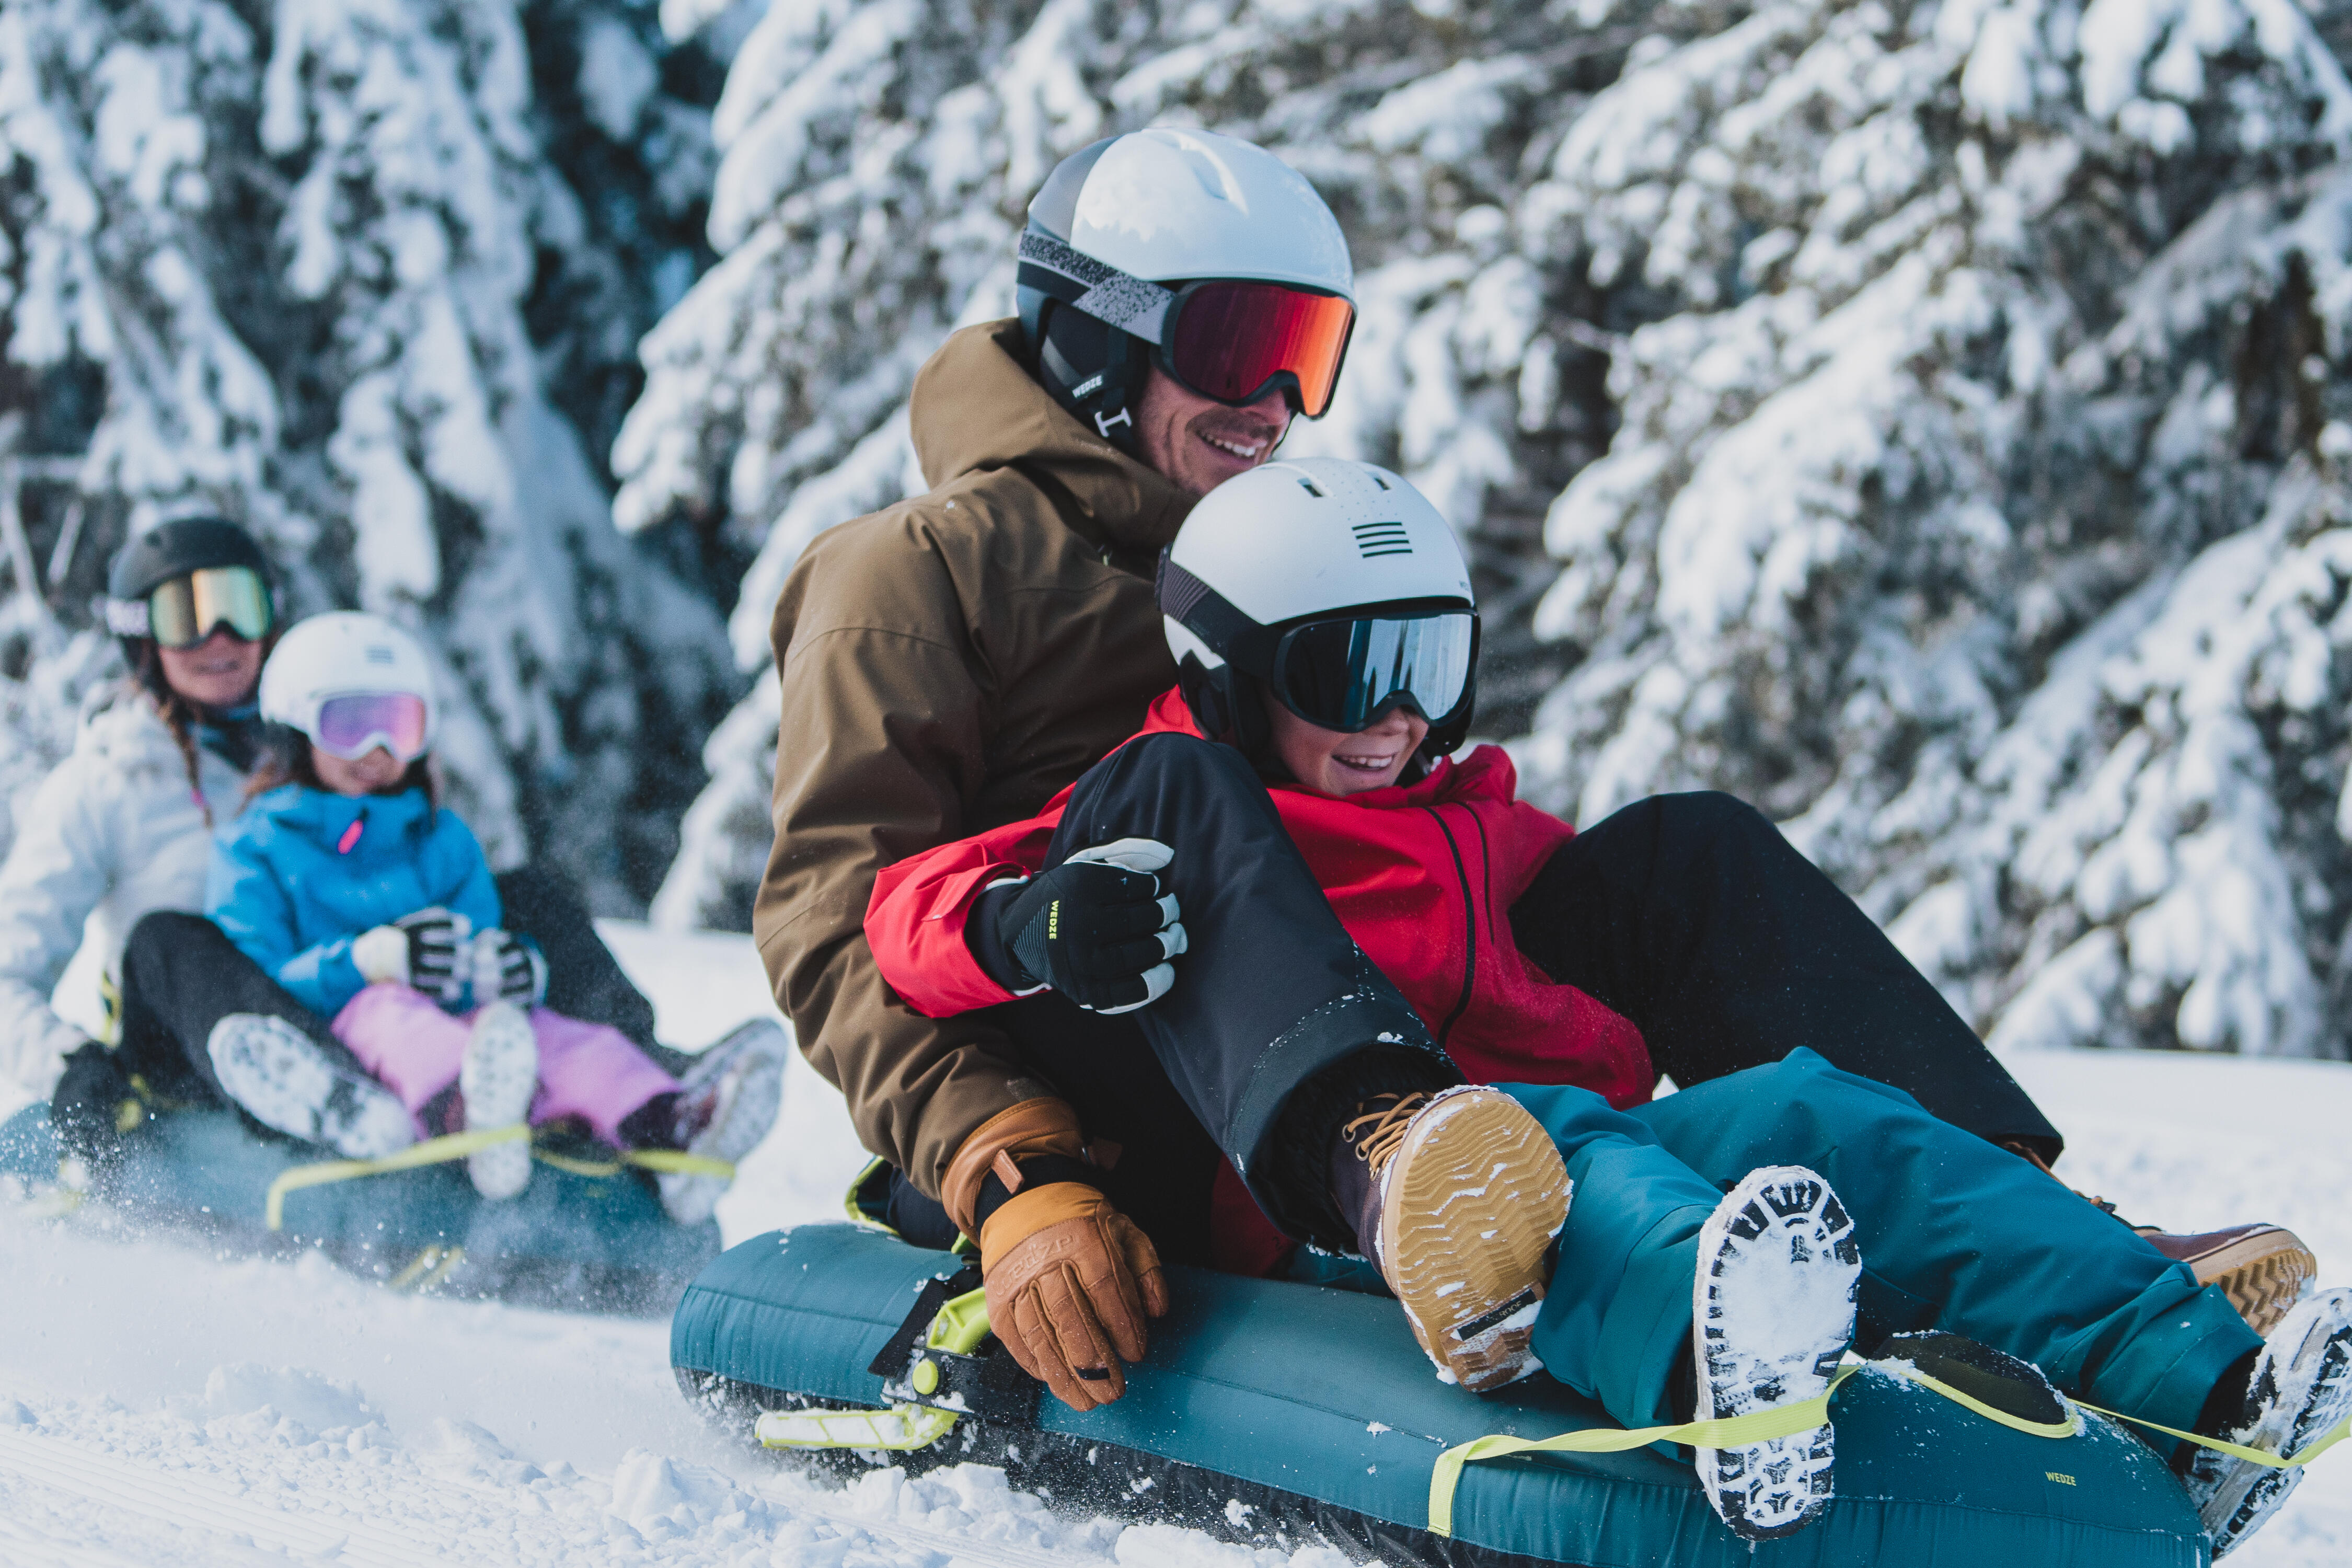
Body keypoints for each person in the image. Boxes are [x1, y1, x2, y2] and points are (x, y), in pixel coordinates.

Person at [757, 126, 2308, 1374]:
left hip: (1350, 1009)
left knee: (1683, 855)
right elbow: (838, 924)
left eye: (1306, 349)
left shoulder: (1265, 540)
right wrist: (1013, 1168)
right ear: (1096, 339)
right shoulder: (917, 570)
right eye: (1236, 343)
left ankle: (2029, 1225)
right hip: (1126, 1063)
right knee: (1181, 797)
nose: (1277, 399)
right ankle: (1392, 1156)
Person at [863, 459, 2350, 1552]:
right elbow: (899, 920)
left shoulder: (1466, 828)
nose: (1399, 716)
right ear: (1227, 673)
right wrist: (1027, 921)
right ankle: (1686, 1347)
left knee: (1789, 1082)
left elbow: (1646, 979)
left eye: (1427, 665)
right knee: (1543, 1145)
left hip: (1520, 1143)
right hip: (1298, 1185)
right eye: (1348, 671)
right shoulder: (1170, 797)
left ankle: (2172, 1370)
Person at [201, 613, 778, 1223]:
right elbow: (256, 976)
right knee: (389, 1013)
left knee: (556, 1036)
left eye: (399, 726)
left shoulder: (440, 837)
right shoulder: (255, 846)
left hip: (476, 1031)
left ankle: (670, 1126)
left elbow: (478, 929)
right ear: (292, 730)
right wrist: (365, 963)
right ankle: (466, 1113)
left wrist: (503, 969)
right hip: (346, 1027)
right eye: (349, 726)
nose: (377, 749)